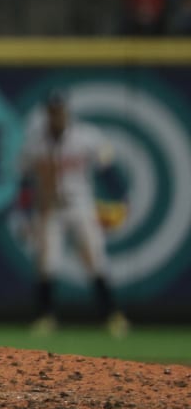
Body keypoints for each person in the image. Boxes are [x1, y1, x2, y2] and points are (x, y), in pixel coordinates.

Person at [17, 92, 130, 338]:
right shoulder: (34, 143)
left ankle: (111, 315)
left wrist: (121, 201)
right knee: (47, 263)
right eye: (53, 110)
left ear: (67, 112)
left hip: (80, 204)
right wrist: (23, 215)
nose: (57, 115)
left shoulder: (86, 137)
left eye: (60, 110)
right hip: (48, 208)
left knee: (95, 258)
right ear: (47, 113)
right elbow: (24, 182)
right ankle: (45, 317)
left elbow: (108, 170)